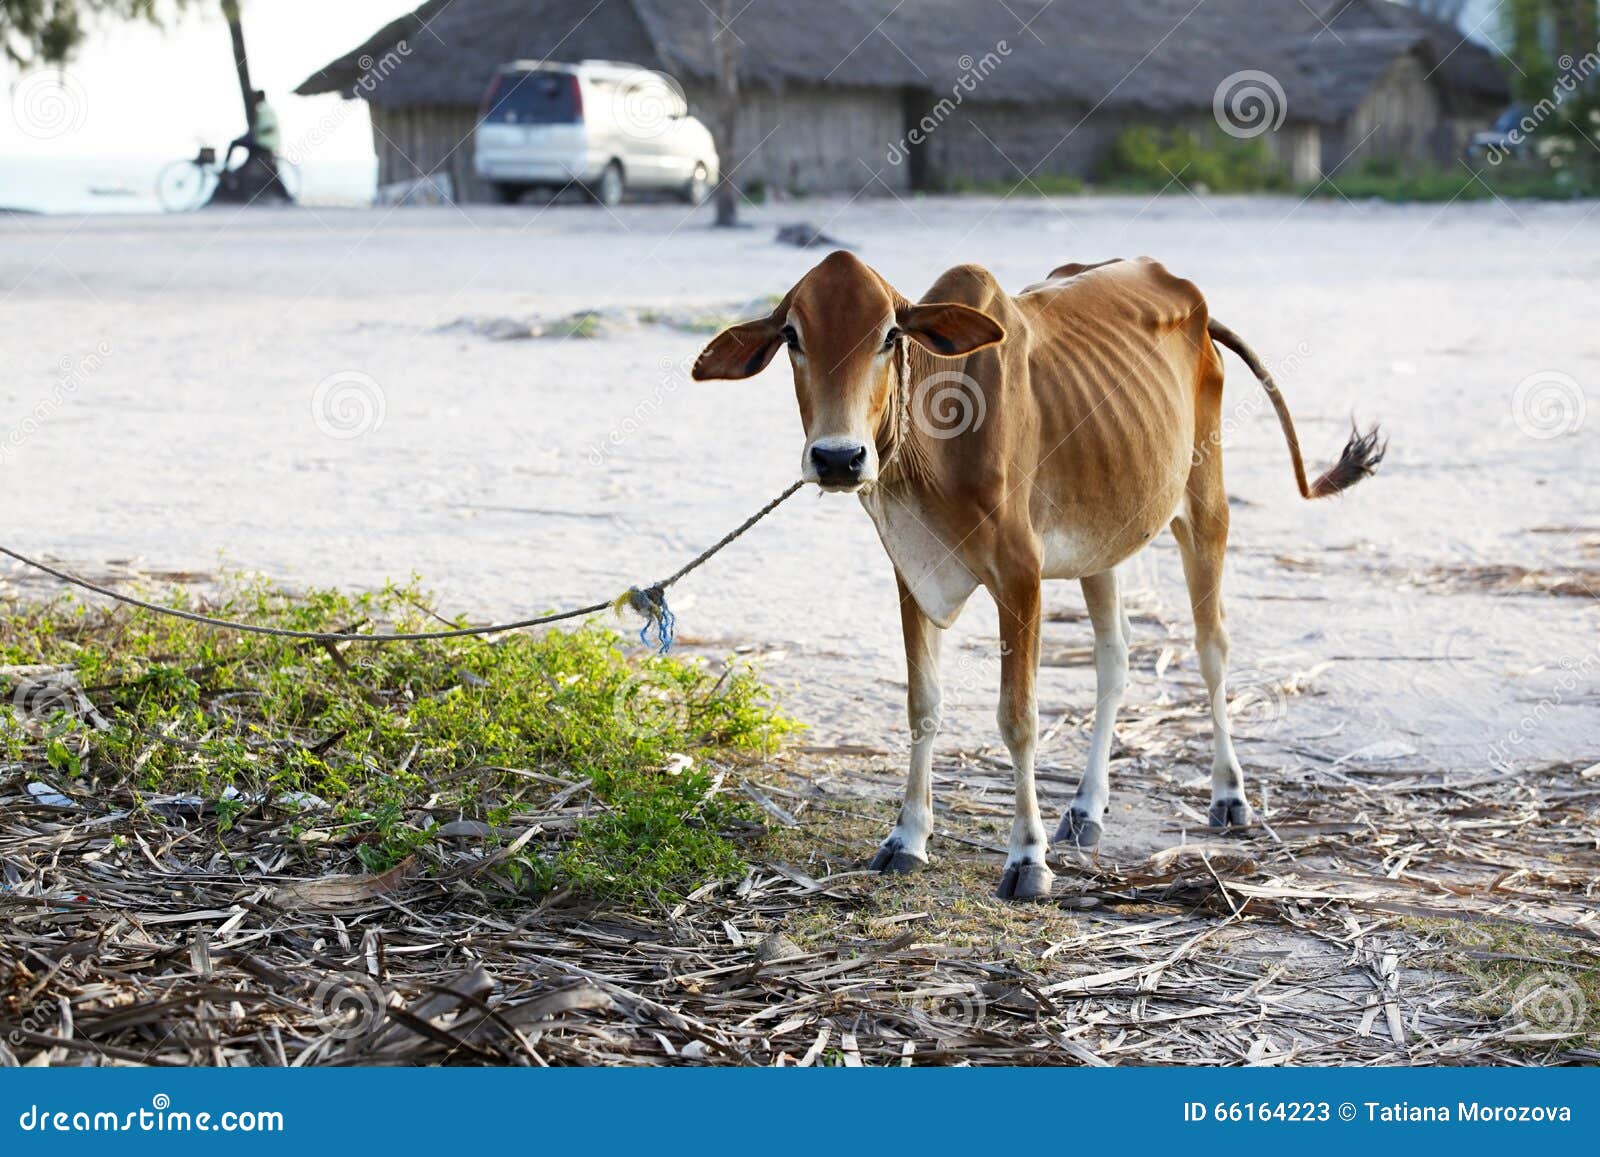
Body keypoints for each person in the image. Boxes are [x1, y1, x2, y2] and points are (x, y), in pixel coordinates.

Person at [221, 90, 289, 199]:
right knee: (250, 163)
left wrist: (256, 131)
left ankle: (225, 167)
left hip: (263, 143)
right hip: (262, 143)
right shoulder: (264, 109)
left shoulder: (264, 109)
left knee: (234, 143)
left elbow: (269, 126)